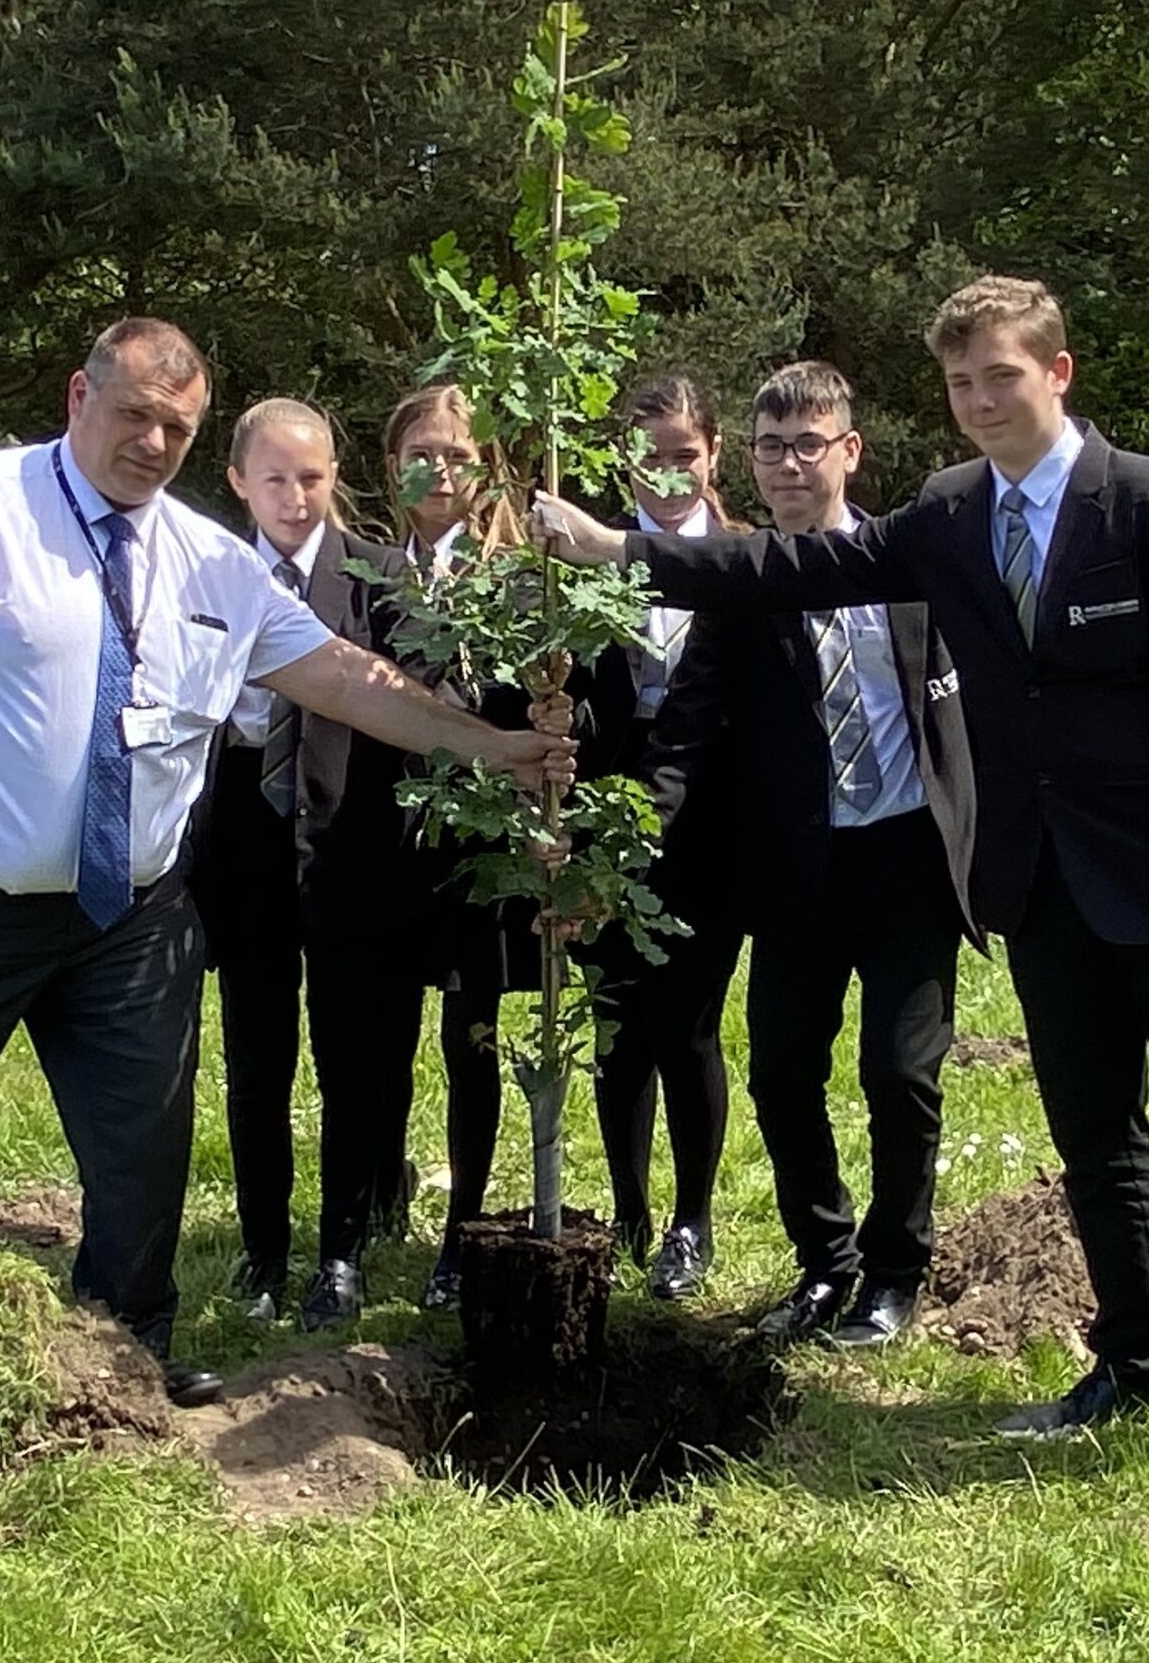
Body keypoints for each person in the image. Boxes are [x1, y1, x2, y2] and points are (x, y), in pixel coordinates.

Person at [532, 276, 1149, 1516]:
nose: (978, 402)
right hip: (1040, 889)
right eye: (960, 384)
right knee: (1097, 1141)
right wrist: (623, 551)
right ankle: (1136, 1361)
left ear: (1056, 374)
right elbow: (798, 563)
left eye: (1000, 377)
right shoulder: (952, 514)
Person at [0, 320, 570, 1444]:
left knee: (143, 1147)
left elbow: (344, 677)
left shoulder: (210, 562)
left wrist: (492, 745)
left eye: (178, 428)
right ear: (77, 396)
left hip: (131, 915)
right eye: (136, 414)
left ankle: (123, 1359)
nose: (153, 442)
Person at [640, 363, 977, 1345]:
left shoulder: (912, 567)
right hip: (795, 866)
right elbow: (686, 730)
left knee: (899, 1073)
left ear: (849, 451)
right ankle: (826, 1265)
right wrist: (630, 837)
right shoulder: (740, 586)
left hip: (911, 856)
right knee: (782, 1072)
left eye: (807, 445)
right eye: (768, 447)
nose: (787, 465)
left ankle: (894, 1272)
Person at [188, 398, 427, 1330]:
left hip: (349, 838)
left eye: (314, 478)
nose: (296, 498)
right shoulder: (207, 576)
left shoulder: (376, 574)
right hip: (242, 834)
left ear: (337, 479)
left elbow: (415, 709)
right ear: (240, 481)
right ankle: (261, 1253)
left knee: (351, 1057)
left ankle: (340, 1252)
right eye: (276, 478)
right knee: (257, 1058)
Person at [571, 375, 748, 1298]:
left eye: (686, 454)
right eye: (648, 454)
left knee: (689, 1025)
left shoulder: (747, 560)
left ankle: (692, 1221)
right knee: (615, 1028)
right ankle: (629, 1212)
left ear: (712, 453)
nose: (668, 472)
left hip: (711, 824)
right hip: (603, 810)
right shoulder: (578, 556)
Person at [379, 383, 542, 1313]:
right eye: (423, 453)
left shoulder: (520, 581)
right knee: (381, 1034)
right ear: (391, 462)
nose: (441, 471)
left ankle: (462, 1226)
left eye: (461, 456)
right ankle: (373, 1202)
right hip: (385, 849)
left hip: (479, 851)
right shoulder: (370, 573)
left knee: (469, 1033)